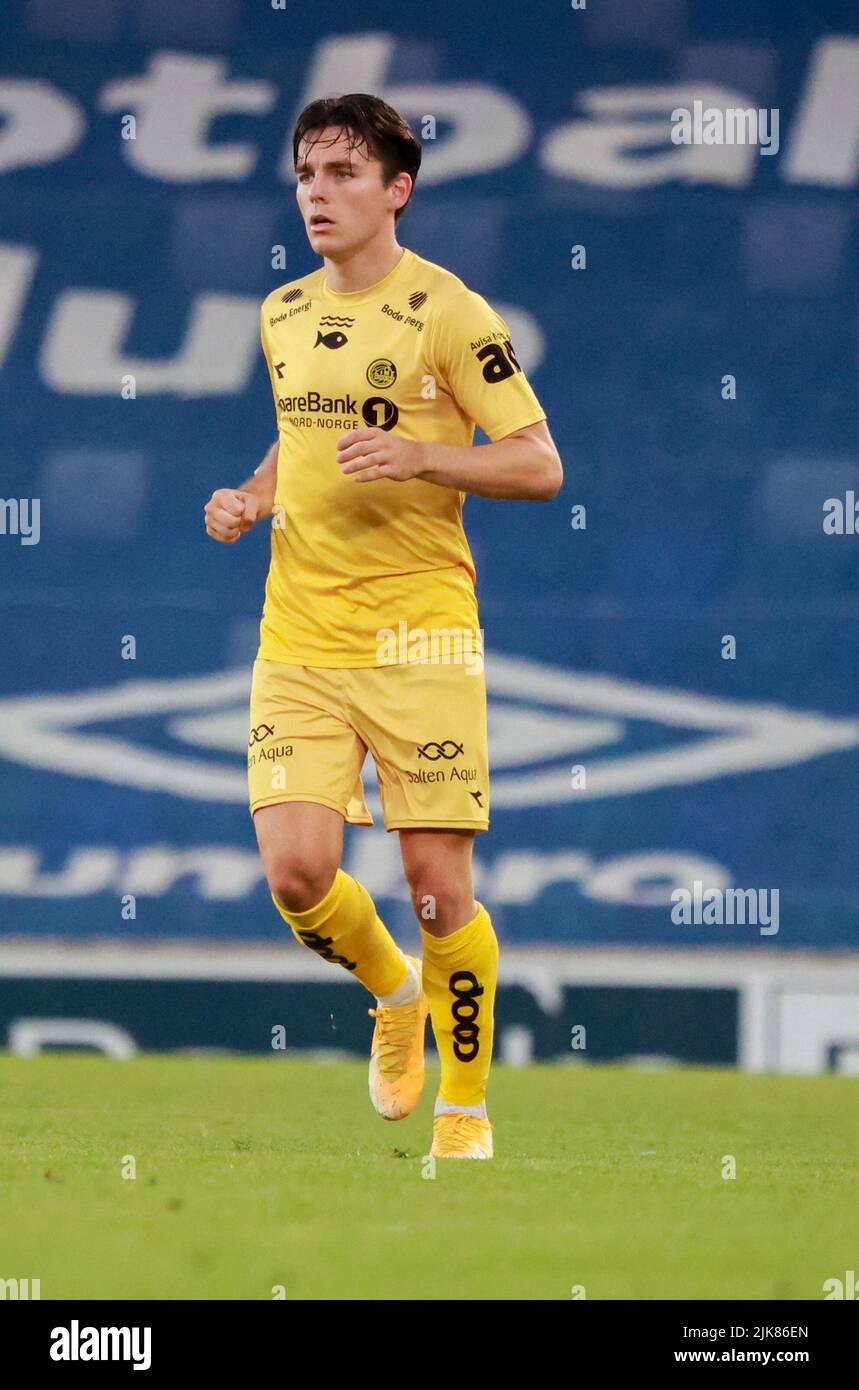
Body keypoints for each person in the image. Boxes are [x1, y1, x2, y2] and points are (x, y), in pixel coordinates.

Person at [204, 93, 562, 1158]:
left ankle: (463, 1109)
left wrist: (425, 455)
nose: (318, 192)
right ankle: (393, 993)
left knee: (438, 890)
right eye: (308, 173)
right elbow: (301, 439)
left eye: (343, 174)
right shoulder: (279, 311)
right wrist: (253, 494)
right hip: (301, 633)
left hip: (419, 637)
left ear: (397, 190)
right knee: (297, 875)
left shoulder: (452, 313)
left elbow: (539, 465)